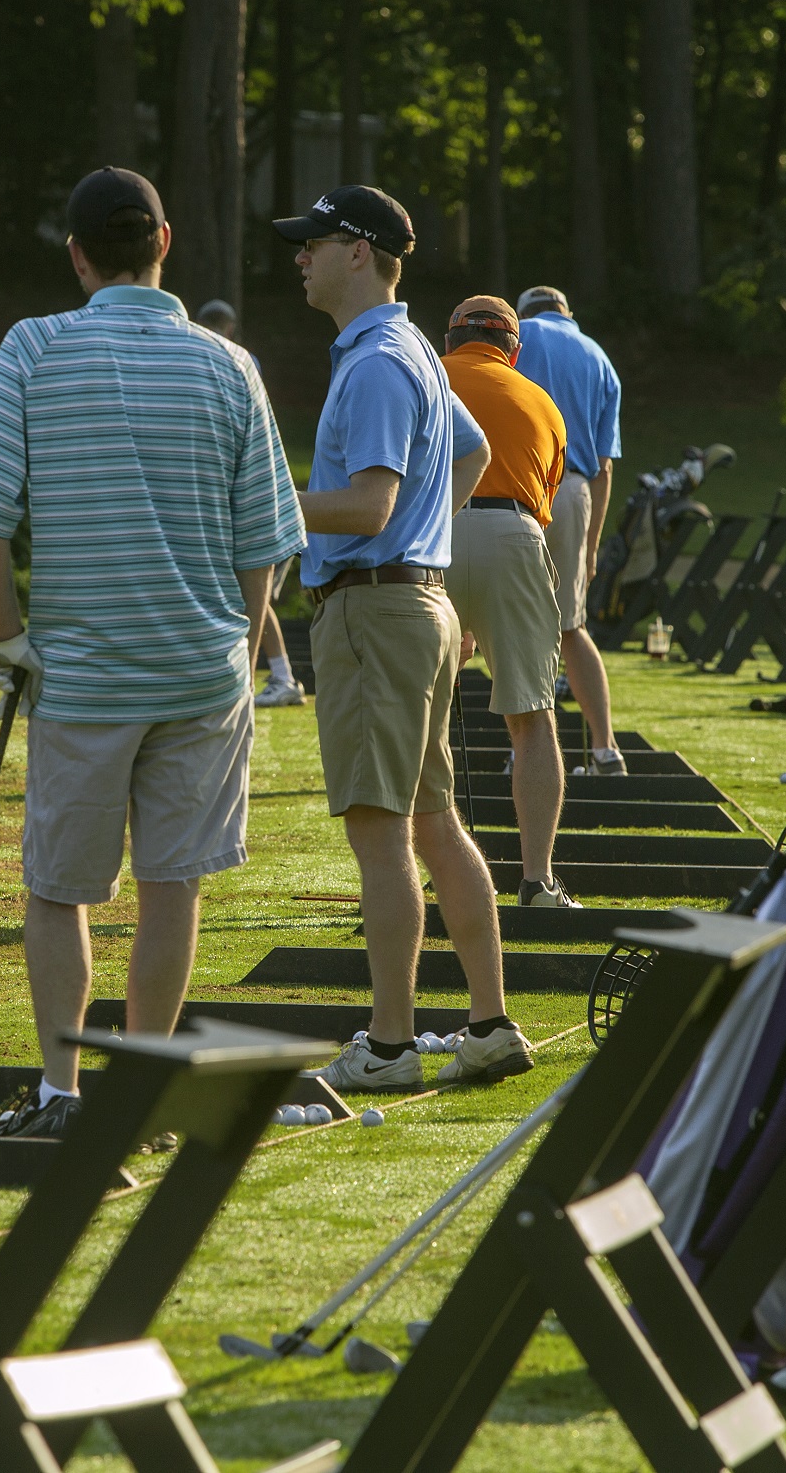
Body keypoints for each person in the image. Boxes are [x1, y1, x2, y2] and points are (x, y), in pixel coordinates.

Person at [0, 168, 303, 1139]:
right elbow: (265, 540)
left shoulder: (35, 346)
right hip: (200, 670)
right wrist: (238, 638)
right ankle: (138, 1090)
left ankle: (63, 1093)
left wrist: (4, 636)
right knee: (168, 885)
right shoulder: (228, 364)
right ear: (165, 242)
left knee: (59, 887)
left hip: (84, 672)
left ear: (76, 252)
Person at [273, 185, 530, 1092]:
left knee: (381, 833)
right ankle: (489, 1023)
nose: (299, 256)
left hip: (375, 610)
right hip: (412, 602)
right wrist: (430, 543)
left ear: (360, 250)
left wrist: (260, 504)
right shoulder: (411, 345)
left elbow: (370, 503)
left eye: (314, 242)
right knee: (431, 820)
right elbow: (468, 454)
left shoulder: (377, 358)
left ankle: (388, 1045)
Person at [438, 296, 578, 910]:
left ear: (451, 338)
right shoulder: (541, 402)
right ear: (513, 350)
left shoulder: (426, 374)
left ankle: (428, 872)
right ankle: (538, 881)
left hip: (429, 534)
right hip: (512, 533)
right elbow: (542, 505)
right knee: (531, 716)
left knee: (418, 715)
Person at [514, 284, 626, 774]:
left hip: (518, 485)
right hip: (576, 490)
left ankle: (524, 753)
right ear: (568, 312)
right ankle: (605, 749)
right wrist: (593, 542)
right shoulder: (600, 359)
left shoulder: (516, 337)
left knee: (514, 625)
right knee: (571, 627)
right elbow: (604, 468)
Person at [197, 297, 305, 709]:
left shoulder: (238, 363)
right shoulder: (231, 359)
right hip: (251, 494)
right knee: (251, 597)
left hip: (259, 496)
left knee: (254, 598)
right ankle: (277, 677)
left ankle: (280, 678)